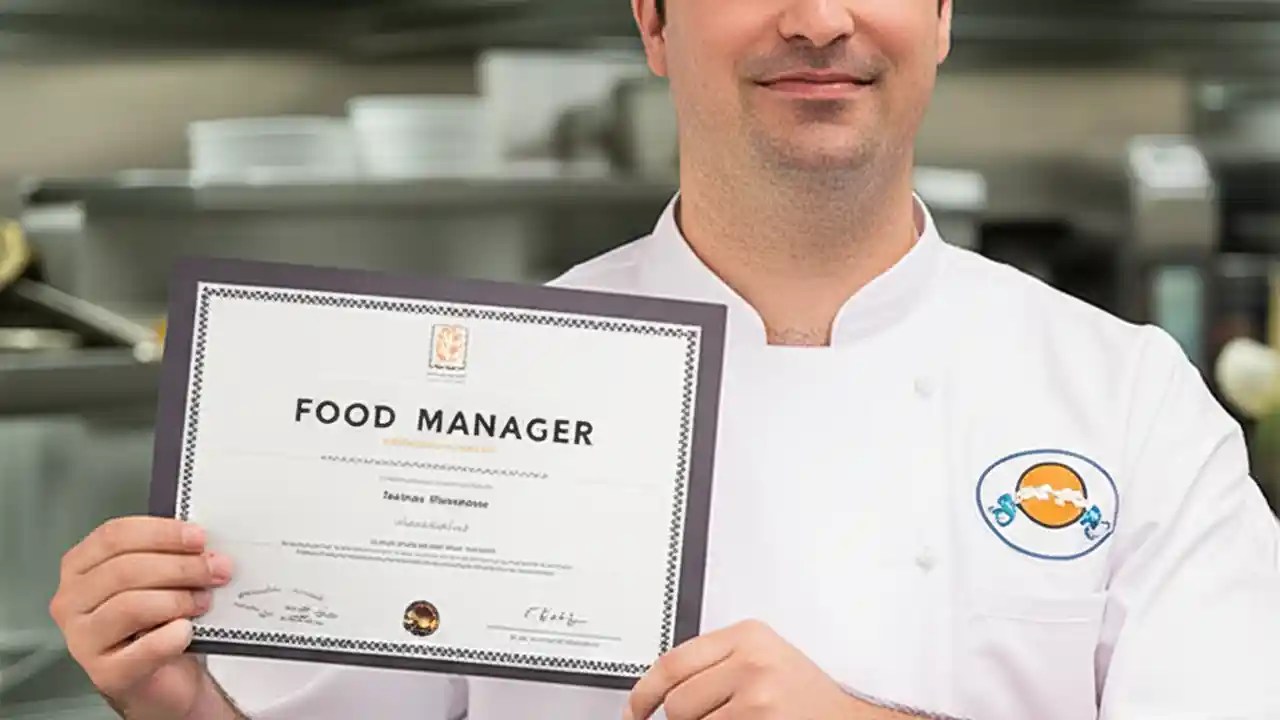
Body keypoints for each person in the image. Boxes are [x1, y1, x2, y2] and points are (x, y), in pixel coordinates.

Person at [47, 0, 1280, 718]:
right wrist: (185, 707)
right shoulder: (481, 375)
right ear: (650, 17)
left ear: (943, 15)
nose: (816, 20)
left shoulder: (1125, 398)